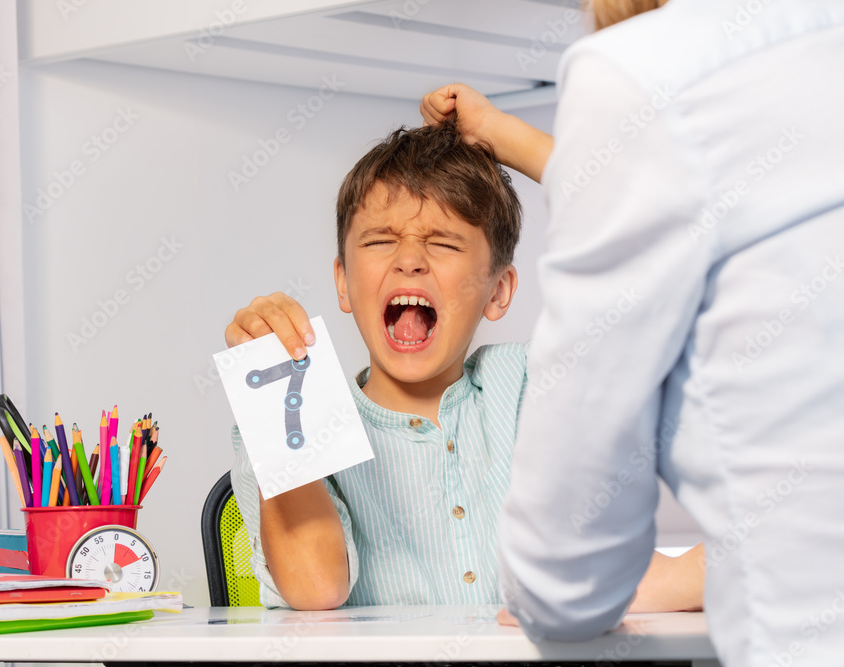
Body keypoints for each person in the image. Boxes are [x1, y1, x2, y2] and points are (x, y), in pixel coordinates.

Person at [421, 0, 844, 664]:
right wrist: (507, 136)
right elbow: (694, 184)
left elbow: (564, 577)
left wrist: (656, 578)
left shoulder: (644, 67)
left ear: (501, 288)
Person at [223, 118, 704, 612]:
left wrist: (504, 135)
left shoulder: (534, 384)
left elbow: (660, 231)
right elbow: (316, 588)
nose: (409, 260)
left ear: (498, 291)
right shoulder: (287, 420)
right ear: (344, 283)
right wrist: (279, 401)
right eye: (380, 240)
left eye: (444, 243)